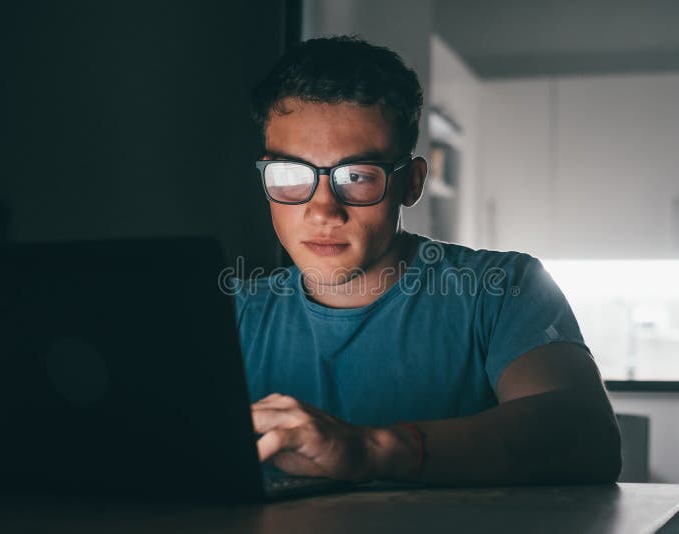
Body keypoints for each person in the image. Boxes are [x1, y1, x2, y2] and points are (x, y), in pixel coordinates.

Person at [237, 36, 621, 485]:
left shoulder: (502, 288)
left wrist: (371, 451)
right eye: (289, 174)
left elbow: (588, 437)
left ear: (413, 183)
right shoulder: (233, 314)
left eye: (358, 175)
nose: (323, 210)